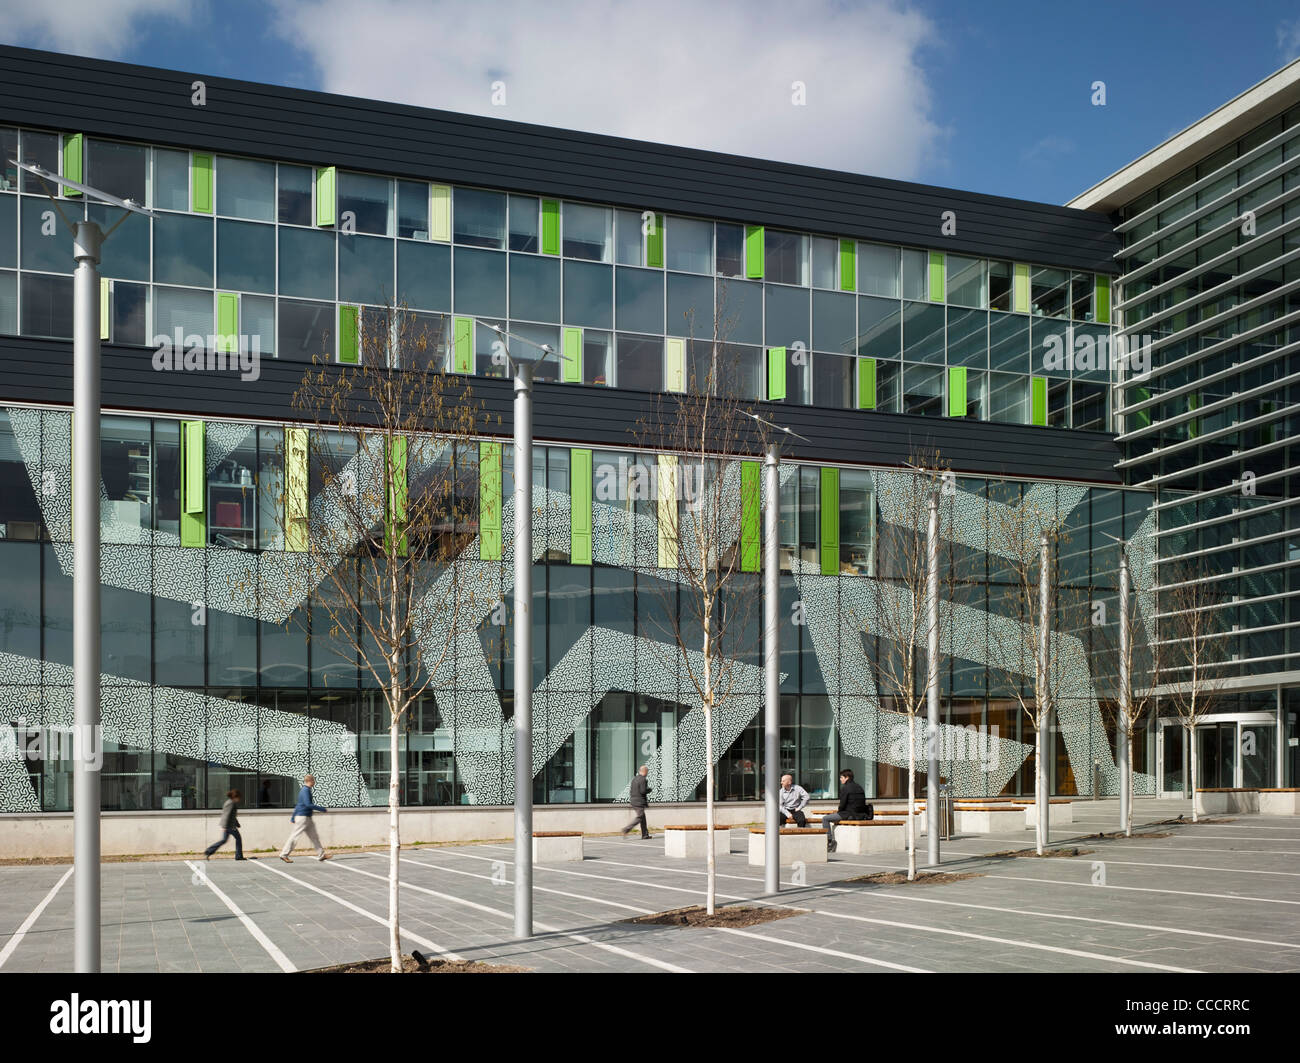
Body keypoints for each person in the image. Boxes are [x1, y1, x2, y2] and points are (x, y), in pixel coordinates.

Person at [280, 773, 330, 862]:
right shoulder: (305, 790)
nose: (314, 782)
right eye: (313, 780)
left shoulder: (303, 790)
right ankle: (284, 854)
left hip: (306, 817)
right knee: (294, 836)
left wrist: (293, 817)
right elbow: (307, 804)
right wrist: (321, 809)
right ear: (310, 781)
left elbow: (298, 804)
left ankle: (321, 854)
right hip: (303, 817)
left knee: (314, 837)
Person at [822, 768, 871, 853]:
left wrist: (838, 812)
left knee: (825, 818)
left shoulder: (846, 788)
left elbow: (842, 804)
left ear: (847, 777)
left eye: (841, 777)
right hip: (860, 814)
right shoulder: (859, 787)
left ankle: (829, 842)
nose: (840, 779)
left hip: (848, 814)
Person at [204, 789, 245, 861]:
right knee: (237, 839)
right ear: (235, 797)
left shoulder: (231, 802)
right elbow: (226, 815)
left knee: (224, 840)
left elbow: (232, 816)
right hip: (229, 826)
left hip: (230, 826)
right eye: (239, 797)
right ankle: (238, 856)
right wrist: (225, 826)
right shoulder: (230, 803)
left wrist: (237, 824)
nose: (239, 799)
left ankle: (209, 851)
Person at [620, 765, 652, 839]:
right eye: (647, 771)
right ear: (645, 771)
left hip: (634, 800)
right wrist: (649, 790)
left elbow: (632, 790)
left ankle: (645, 835)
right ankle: (626, 829)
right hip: (639, 801)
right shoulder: (643, 779)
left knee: (643, 818)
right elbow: (643, 791)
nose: (647, 773)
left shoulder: (634, 779)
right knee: (640, 817)